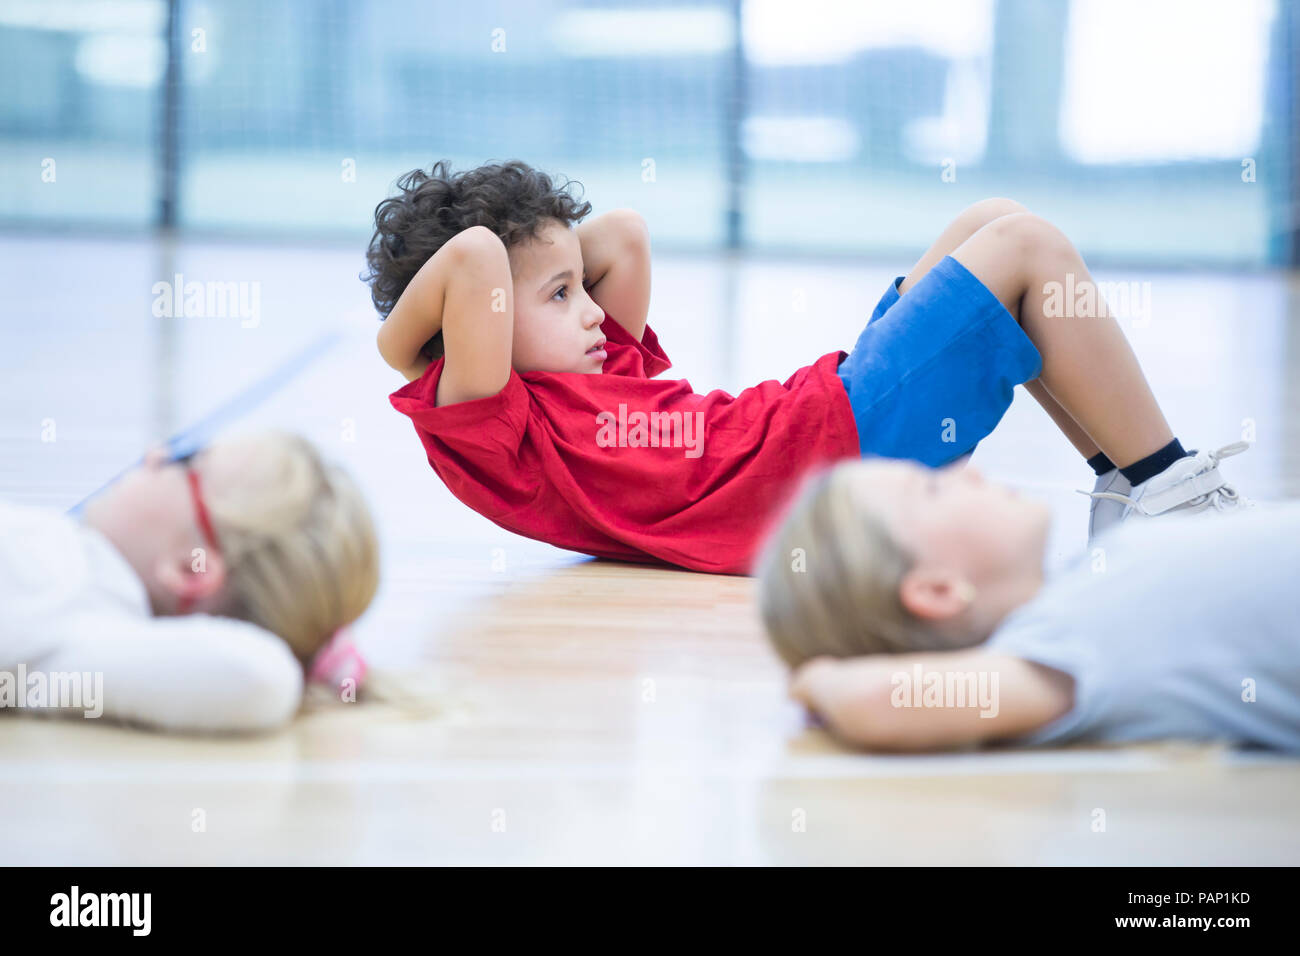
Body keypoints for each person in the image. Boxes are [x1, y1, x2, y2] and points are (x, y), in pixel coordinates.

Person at [369, 159, 1244, 574]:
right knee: (1026, 247)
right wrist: (403, 345)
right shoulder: (499, 427)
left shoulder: (601, 372)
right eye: (561, 295)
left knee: (994, 216)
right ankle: (1174, 491)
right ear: (469, 326)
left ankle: (1130, 493)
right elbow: (482, 255)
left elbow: (623, 233)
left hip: (821, 421)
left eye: (576, 286)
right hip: (831, 465)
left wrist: (547, 258)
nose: (592, 305)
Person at [754, 457, 1296, 753]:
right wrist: (817, 677)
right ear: (938, 591)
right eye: (932, 489)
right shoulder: (1053, 647)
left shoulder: (1072, 599)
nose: (966, 471)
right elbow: (875, 701)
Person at [1, 430, 379, 733]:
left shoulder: (56, 589)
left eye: (183, 459)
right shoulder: (84, 620)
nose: (154, 454)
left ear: (190, 570)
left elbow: (259, 677)